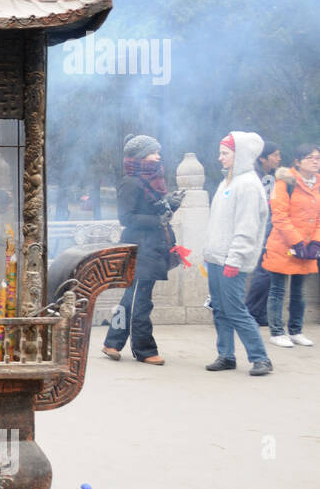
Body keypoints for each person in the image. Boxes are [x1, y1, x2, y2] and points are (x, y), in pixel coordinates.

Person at [101, 135, 184, 365]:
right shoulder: (130, 182)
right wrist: (158, 220)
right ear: (140, 156)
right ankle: (144, 350)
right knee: (141, 301)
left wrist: (170, 204)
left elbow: (156, 212)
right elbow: (126, 218)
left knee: (131, 298)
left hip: (153, 246)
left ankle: (112, 342)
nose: (158, 156)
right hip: (139, 247)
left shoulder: (154, 180)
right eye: (153, 152)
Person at [203, 132, 272, 376]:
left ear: (239, 154)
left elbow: (247, 228)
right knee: (220, 309)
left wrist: (235, 259)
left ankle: (260, 358)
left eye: (225, 153)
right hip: (215, 259)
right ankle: (226, 355)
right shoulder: (227, 182)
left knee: (235, 310)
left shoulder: (249, 185)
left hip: (232, 261)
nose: (219, 157)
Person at [261, 143, 320, 348]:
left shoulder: (319, 183)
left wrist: (315, 241)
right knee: (277, 290)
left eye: (318, 158)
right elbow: (279, 216)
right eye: (311, 158)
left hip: (307, 246)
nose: (315, 161)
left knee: (299, 291)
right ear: (297, 161)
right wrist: (296, 241)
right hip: (283, 244)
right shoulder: (285, 182)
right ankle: (277, 331)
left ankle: (296, 330)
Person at [245, 140, 282, 325]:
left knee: (268, 271)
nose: (278, 159)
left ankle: (257, 312)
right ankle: (250, 312)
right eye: (275, 155)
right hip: (258, 228)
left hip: (270, 227)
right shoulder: (253, 177)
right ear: (262, 158)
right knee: (264, 271)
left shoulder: (271, 176)